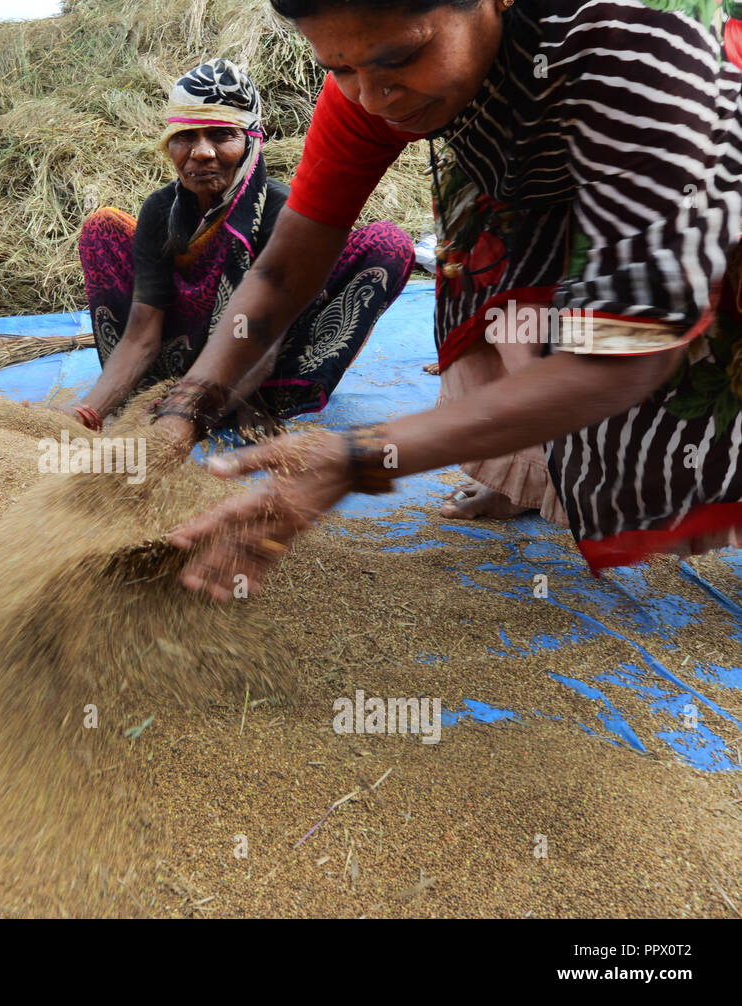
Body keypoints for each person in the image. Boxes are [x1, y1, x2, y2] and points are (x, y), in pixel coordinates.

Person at [154, 0, 742, 599]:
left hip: (704, 166)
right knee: (490, 278)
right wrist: (184, 411)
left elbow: (628, 347)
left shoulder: (633, 49)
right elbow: (283, 271)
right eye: (340, 68)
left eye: (403, 58)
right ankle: (531, 477)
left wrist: (359, 458)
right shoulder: (368, 75)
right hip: (537, 176)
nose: (373, 98)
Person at [65, 58, 415, 435]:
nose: (201, 152)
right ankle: (160, 391)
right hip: (179, 353)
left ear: (252, 141)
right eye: (185, 137)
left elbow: (264, 334)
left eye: (221, 135)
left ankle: (257, 399)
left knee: (388, 244)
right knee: (103, 226)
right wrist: (87, 411)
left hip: (262, 354)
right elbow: (141, 335)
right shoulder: (161, 209)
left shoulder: (282, 209)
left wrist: (194, 414)